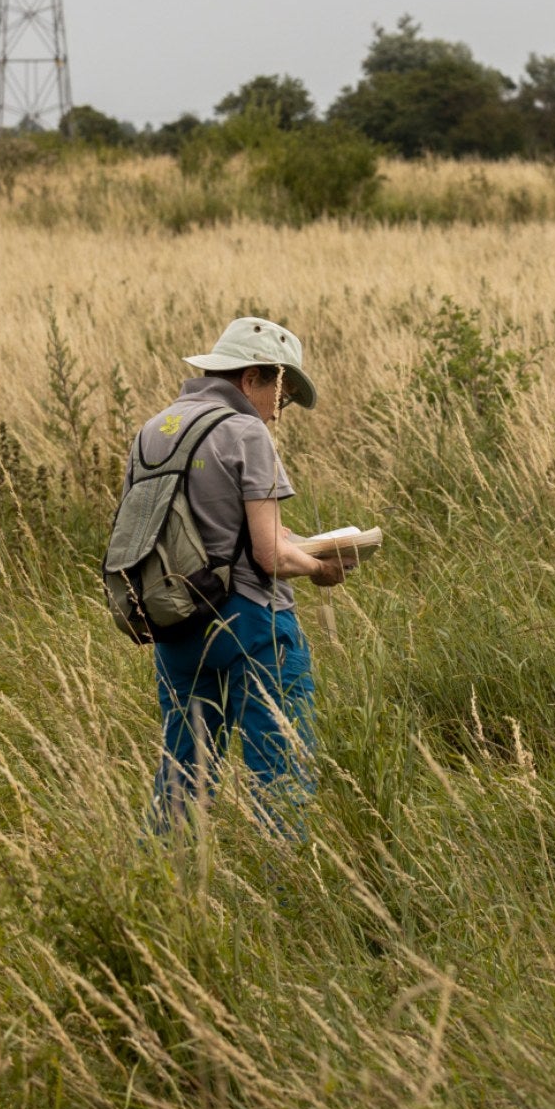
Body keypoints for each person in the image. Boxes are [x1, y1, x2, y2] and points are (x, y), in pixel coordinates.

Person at [130, 315, 358, 834]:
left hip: (178, 624)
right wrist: (321, 567)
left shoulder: (154, 430)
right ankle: (285, 902)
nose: (281, 410)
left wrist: (301, 545)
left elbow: (213, 531)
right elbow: (269, 556)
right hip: (253, 624)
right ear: (252, 376)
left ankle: (162, 893)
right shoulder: (244, 431)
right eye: (283, 391)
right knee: (280, 774)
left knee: (183, 776)